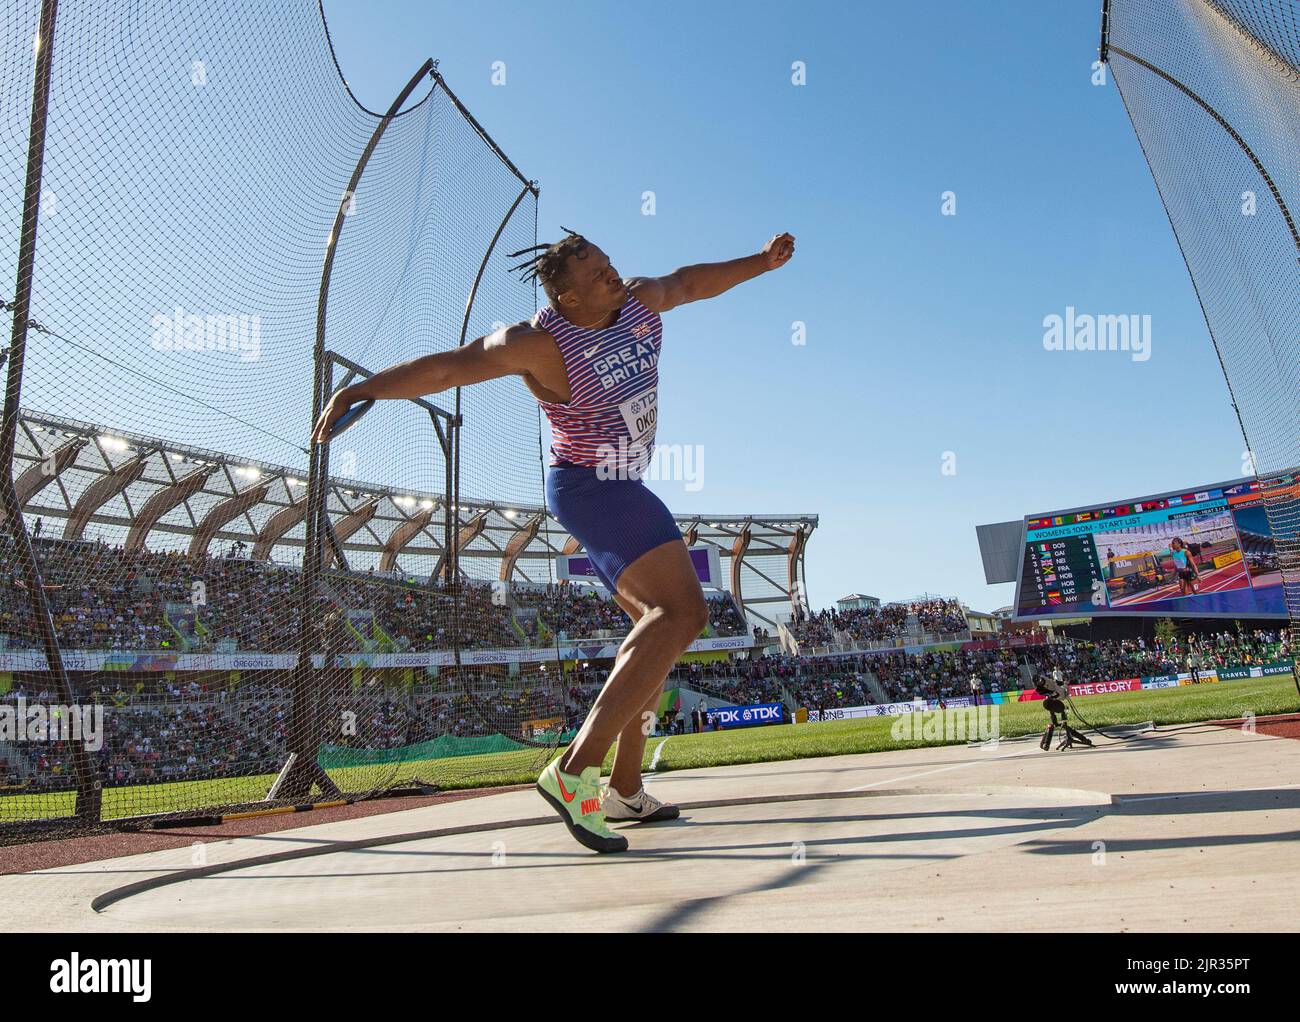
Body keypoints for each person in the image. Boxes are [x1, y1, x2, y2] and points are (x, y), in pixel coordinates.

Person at [313, 228, 795, 852]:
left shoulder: (640, 303)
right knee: (683, 612)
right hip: (592, 488)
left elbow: (692, 281)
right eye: (597, 273)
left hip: (622, 481)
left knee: (656, 633)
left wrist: (760, 261)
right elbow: (452, 366)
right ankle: (573, 771)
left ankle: (623, 789)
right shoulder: (537, 342)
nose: (613, 275)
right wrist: (365, 387)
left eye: (610, 262)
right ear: (565, 295)